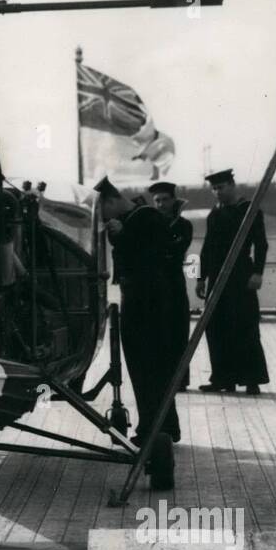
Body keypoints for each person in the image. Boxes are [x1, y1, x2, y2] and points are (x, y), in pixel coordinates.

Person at [97, 178, 181, 450]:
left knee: (149, 367)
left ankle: (154, 428)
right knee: (146, 369)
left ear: (110, 201)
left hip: (147, 304)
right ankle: (162, 426)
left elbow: (154, 256)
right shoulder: (134, 218)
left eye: (103, 211)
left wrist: (123, 235)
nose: (104, 218)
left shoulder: (145, 217)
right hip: (140, 301)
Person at [197, 169, 269, 394]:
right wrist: (201, 278)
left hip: (241, 276)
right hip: (217, 278)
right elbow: (207, 248)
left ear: (232, 185)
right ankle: (222, 379)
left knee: (245, 325)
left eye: (221, 187)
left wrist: (258, 273)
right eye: (214, 189)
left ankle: (251, 379)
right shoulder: (214, 214)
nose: (217, 192)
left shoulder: (249, 210)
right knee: (216, 327)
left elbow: (261, 244)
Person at [150, 181, 193, 389]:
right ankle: (162, 379)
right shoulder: (150, 224)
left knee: (178, 331)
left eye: (165, 199)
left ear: (173, 200)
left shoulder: (184, 225)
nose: (160, 204)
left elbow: (177, 249)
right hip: (155, 284)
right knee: (158, 332)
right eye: (157, 200)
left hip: (174, 283)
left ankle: (180, 380)